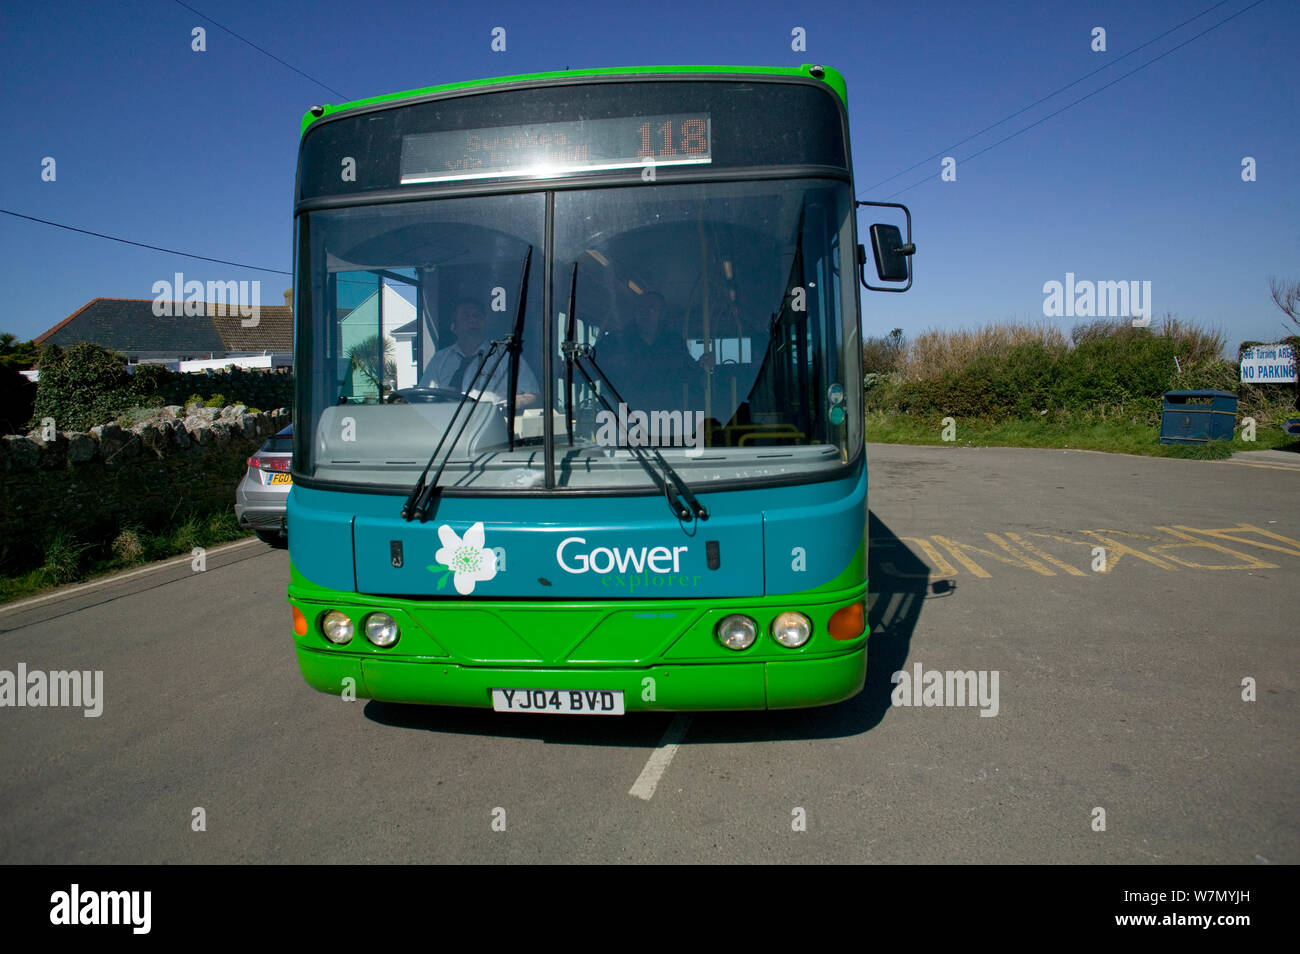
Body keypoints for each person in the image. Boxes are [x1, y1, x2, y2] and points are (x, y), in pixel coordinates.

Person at [595, 292, 712, 411]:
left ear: (662, 314)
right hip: (620, 419)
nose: (643, 312)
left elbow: (686, 373)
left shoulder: (674, 344)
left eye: (650, 308)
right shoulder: (613, 342)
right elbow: (589, 368)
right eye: (640, 308)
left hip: (664, 418)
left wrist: (701, 366)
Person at [418, 298, 538, 407]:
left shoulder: (505, 357)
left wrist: (504, 407)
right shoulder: (439, 359)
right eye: (466, 316)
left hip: (491, 425)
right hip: (447, 427)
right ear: (453, 327)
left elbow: (532, 395)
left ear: (485, 325)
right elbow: (424, 399)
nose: (473, 320)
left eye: (478, 316)